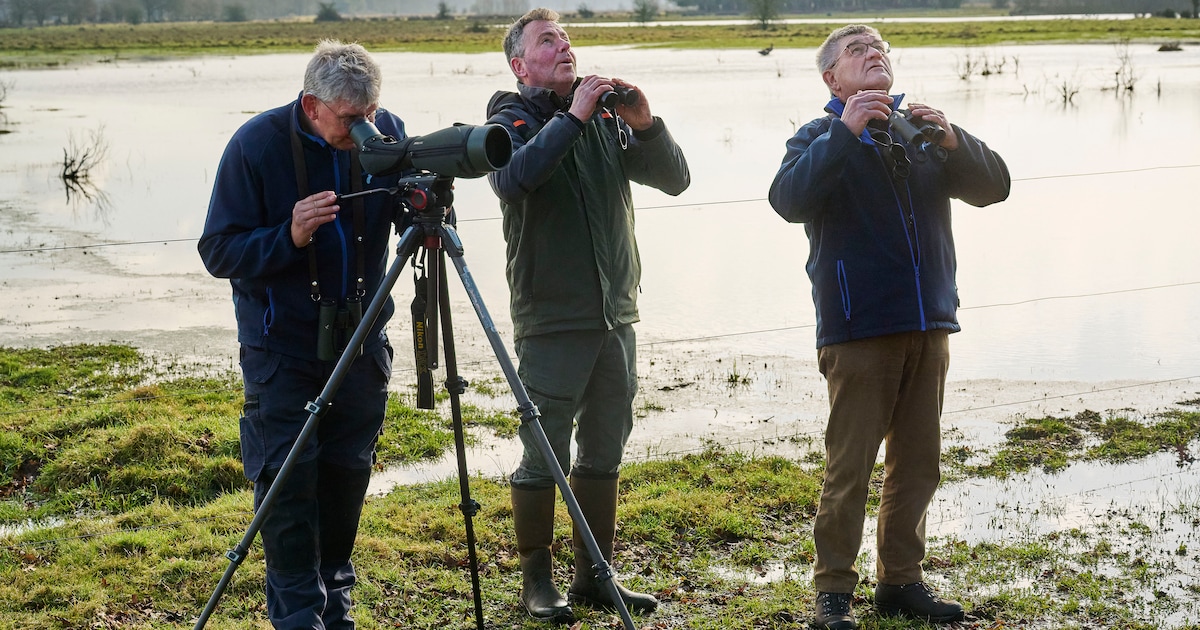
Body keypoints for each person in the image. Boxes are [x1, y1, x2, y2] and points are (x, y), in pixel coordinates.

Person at [768, 25, 1010, 630]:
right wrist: (845, 133)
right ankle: (832, 594)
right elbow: (789, 200)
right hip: (858, 328)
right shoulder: (817, 136)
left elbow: (995, 187)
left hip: (929, 322)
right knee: (849, 469)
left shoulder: (921, 135)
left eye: (880, 49)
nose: (874, 55)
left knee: (919, 463)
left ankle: (900, 582)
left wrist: (953, 139)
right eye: (858, 51)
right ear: (832, 79)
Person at [484, 8, 691, 624]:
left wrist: (645, 123)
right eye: (548, 41)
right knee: (543, 449)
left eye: (567, 38)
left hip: (615, 314)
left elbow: (675, 180)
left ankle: (595, 577)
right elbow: (513, 181)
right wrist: (571, 119)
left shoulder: (604, 117)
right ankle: (536, 581)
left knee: (604, 448)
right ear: (520, 65)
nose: (564, 47)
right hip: (552, 318)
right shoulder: (508, 121)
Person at [198, 40, 408, 629]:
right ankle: (297, 619)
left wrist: (425, 206)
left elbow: (406, 206)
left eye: (372, 113)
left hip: (361, 342)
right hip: (282, 348)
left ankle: (335, 609)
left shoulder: (383, 131)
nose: (365, 129)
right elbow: (217, 251)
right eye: (351, 118)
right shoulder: (257, 144)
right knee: (288, 485)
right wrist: (287, 237)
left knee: (347, 474)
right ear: (312, 105)